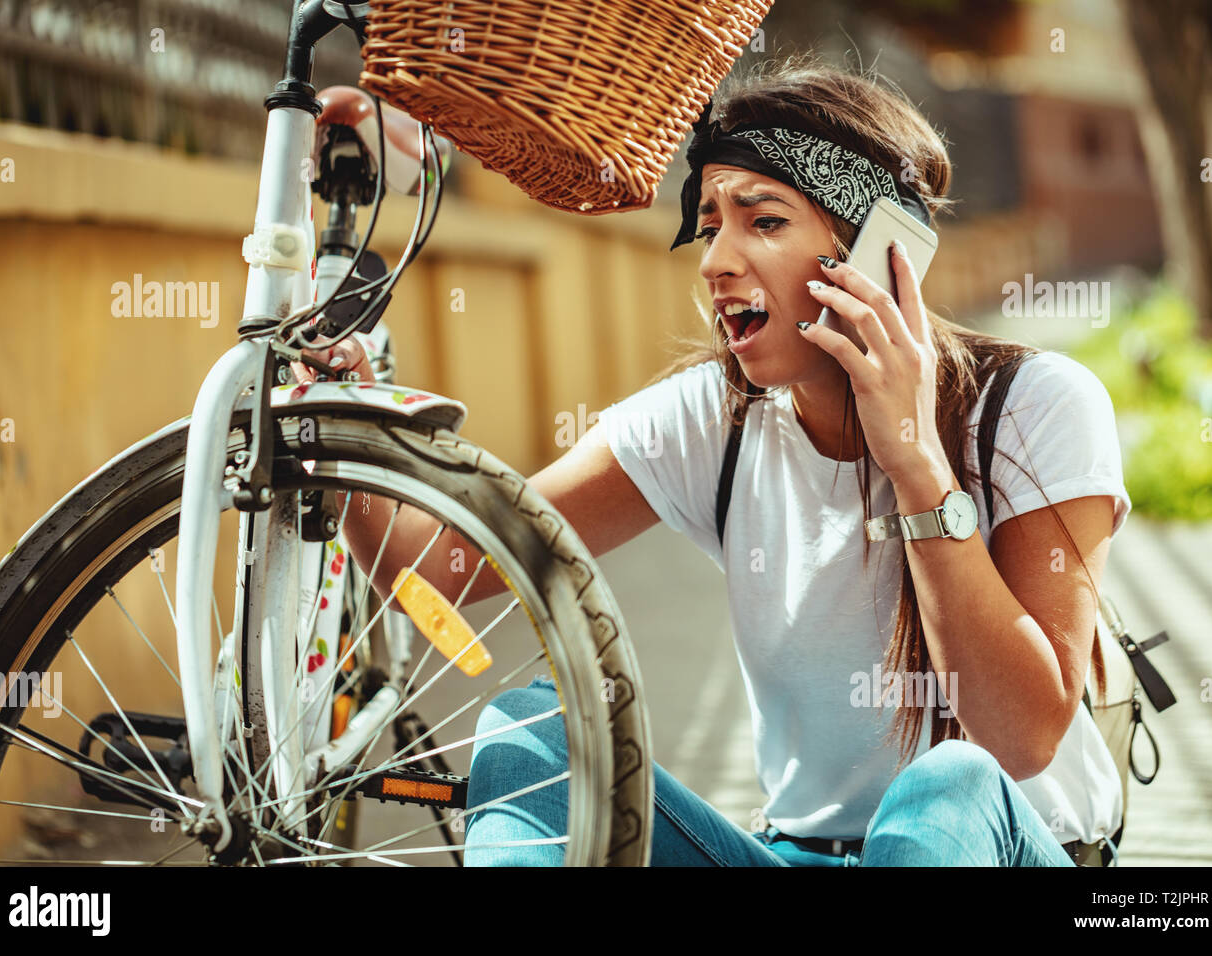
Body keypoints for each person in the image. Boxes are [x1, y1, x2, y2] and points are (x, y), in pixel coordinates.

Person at [294, 57, 1130, 867]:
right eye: (708, 226)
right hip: (789, 854)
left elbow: (1019, 737)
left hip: (999, 845)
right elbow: (433, 569)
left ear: (885, 254)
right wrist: (349, 422)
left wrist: (914, 461)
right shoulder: (713, 421)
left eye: (764, 220)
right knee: (534, 737)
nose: (716, 262)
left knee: (948, 781)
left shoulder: (1034, 405)